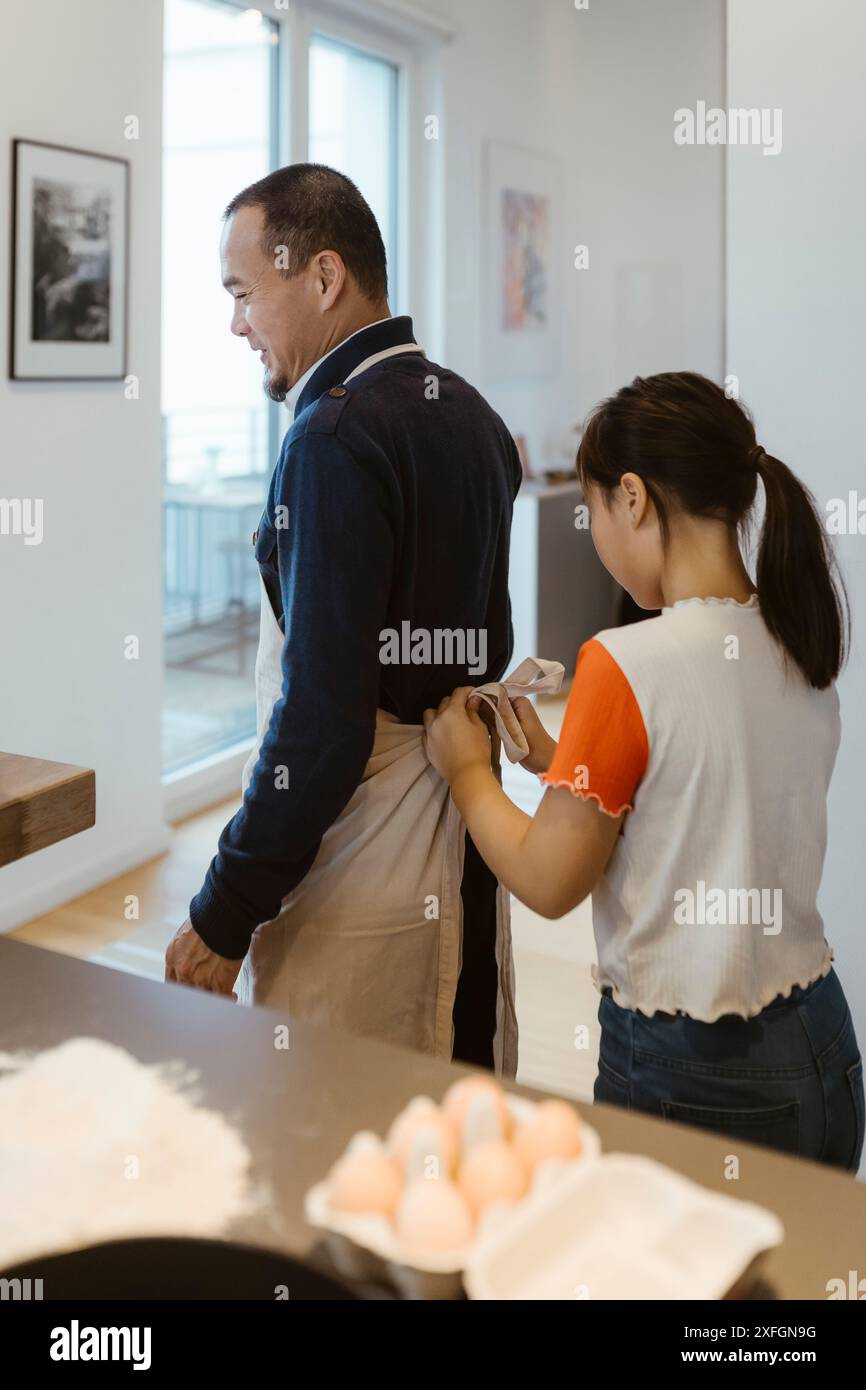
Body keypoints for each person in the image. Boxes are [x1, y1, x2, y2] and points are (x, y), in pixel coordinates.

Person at [425, 371, 864, 1169]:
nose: (595, 534)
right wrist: (562, 765)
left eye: (594, 510)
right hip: (822, 1043)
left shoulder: (625, 663)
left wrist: (467, 773)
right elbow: (699, 799)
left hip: (696, 1070)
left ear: (633, 497)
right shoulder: (797, 636)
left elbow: (550, 881)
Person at [165, 164, 522, 1073]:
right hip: (470, 849)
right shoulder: (474, 415)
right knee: (460, 1112)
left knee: (340, 1142)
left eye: (245, 293)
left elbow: (320, 721)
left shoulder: (329, 437)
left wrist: (224, 909)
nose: (236, 323)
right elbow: (490, 641)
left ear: (323, 279)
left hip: (369, 864)